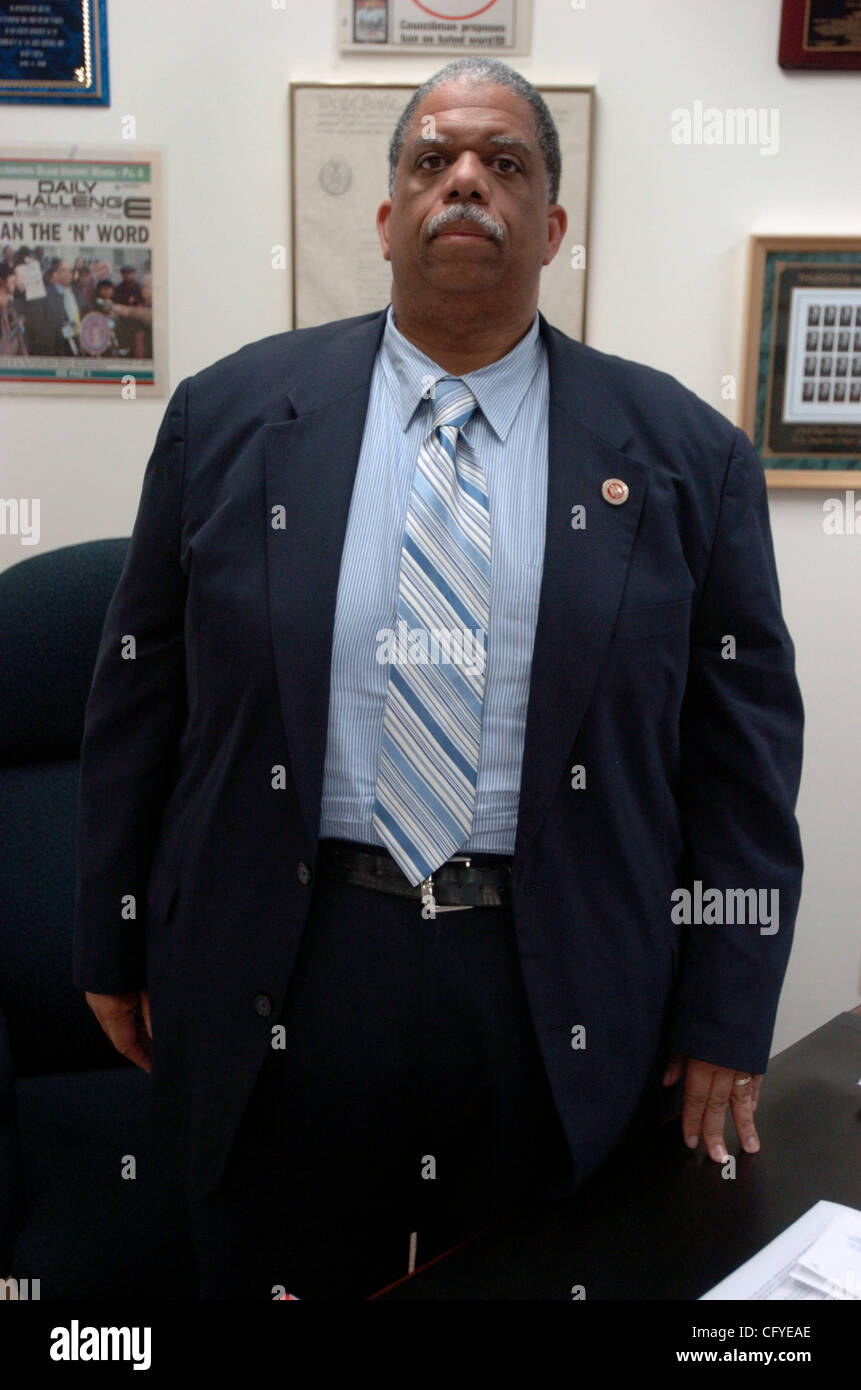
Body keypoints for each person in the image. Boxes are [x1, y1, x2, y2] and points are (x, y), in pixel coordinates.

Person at [73, 58, 804, 1301]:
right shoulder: (229, 419)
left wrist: (729, 1011)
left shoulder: (688, 458)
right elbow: (140, 706)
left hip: (550, 969)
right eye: (434, 160)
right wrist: (110, 933)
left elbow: (741, 768)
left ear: (553, 227)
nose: (466, 181)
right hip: (289, 956)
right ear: (389, 212)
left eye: (506, 163)